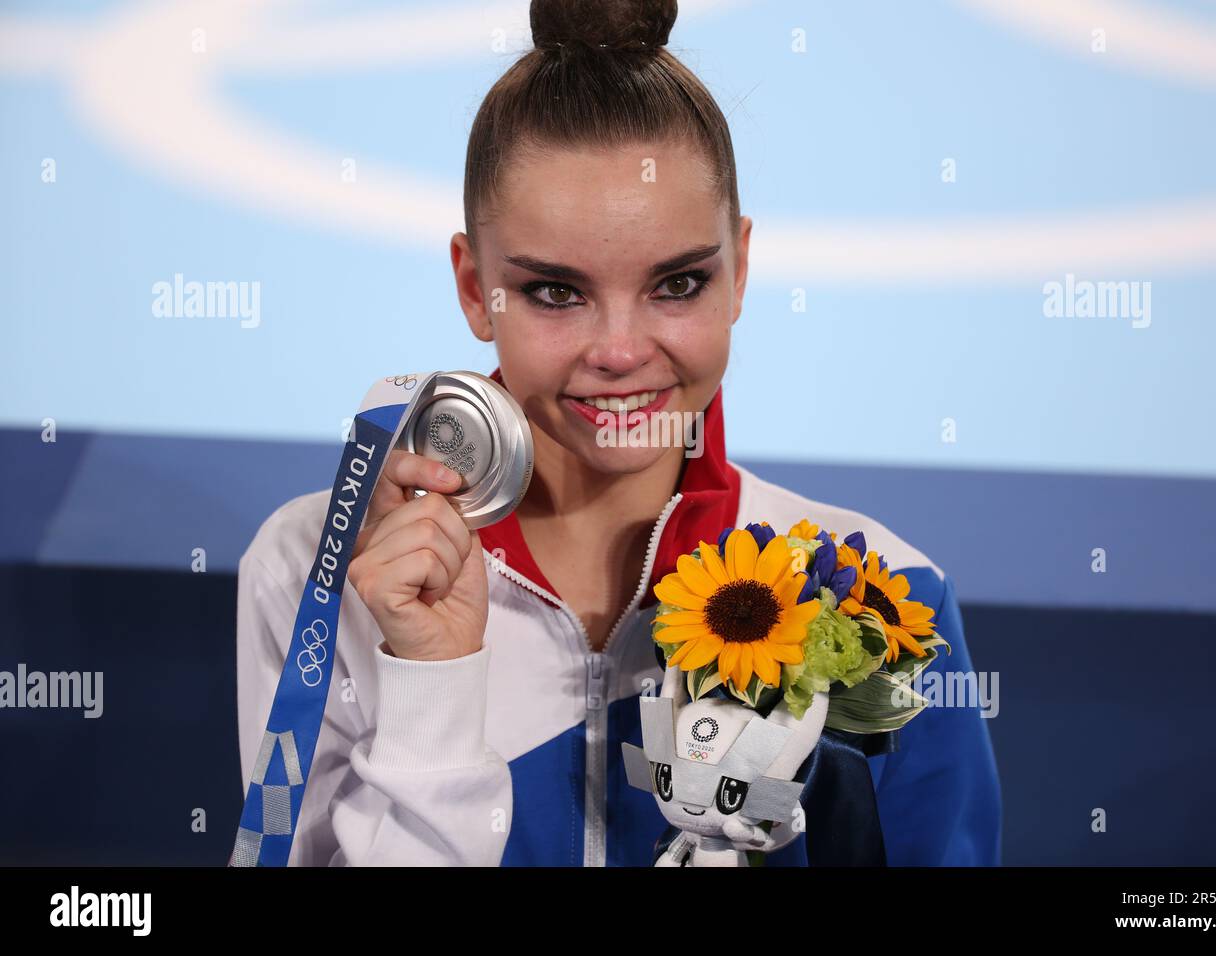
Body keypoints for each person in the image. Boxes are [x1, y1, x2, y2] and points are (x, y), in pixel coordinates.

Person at [236, 0, 1001, 866]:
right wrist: (432, 684)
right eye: (556, 292)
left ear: (740, 271)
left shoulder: (885, 600)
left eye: (677, 283)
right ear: (472, 284)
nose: (621, 351)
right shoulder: (315, 568)